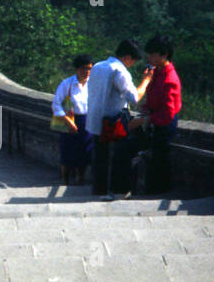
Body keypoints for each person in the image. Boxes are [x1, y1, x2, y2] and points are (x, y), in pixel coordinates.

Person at [86, 39, 150, 199]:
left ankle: (98, 191)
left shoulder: (98, 66)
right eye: (133, 61)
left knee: (99, 158)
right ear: (128, 57)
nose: (132, 64)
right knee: (117, 158)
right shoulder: (119, 71)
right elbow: (134, 97)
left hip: (94, 119)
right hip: (112, 122)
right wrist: (146, 81)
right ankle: (115, 191)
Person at [134, 34, 182, 194]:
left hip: (164, 124)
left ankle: (158, 192)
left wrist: (146, 119)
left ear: (164, 55)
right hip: (155, 119)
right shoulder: (156, 72)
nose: (149, 57)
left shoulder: (170, 79)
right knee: (152, 159)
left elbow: (168, 113)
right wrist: (146, 108)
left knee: (159, 160)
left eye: (152, 54)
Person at [52, 54, 94, 185]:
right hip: (69, 120)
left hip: (87, 120)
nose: (87, 72)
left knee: (85, 152)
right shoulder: (67, 84)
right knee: (68, 152)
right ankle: (65, 180)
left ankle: (80, 178)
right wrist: (68, 121)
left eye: (89, 69)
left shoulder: (92, 84)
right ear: (77, 69)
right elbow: (56, 104)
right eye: (84, 68)